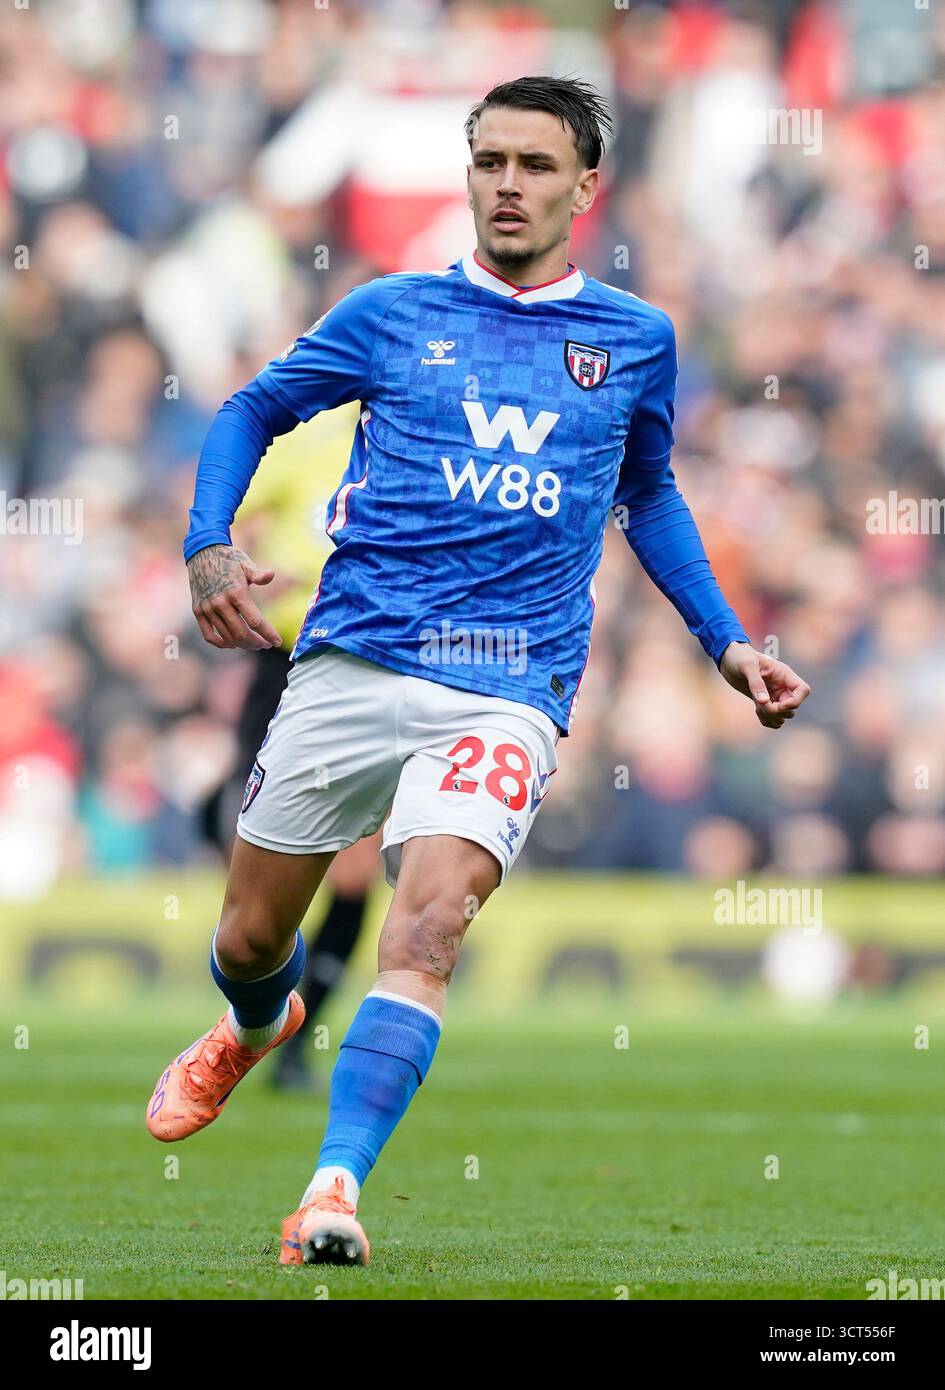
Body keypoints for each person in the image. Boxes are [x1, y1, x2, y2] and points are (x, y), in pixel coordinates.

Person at [146, 75, 811, 1268]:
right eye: (491, 161)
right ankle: (259, 1019)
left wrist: (728, 641)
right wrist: (206, 545)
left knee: (429, 924)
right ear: (468, 175)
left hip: (511, 682)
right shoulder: (390, 312)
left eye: (537, 166)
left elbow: (648, 493)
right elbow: (253, 407)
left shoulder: (634, 340)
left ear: (584, 187)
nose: (510, 185)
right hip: (353, 658)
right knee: (251, 937)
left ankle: (331, 1190)